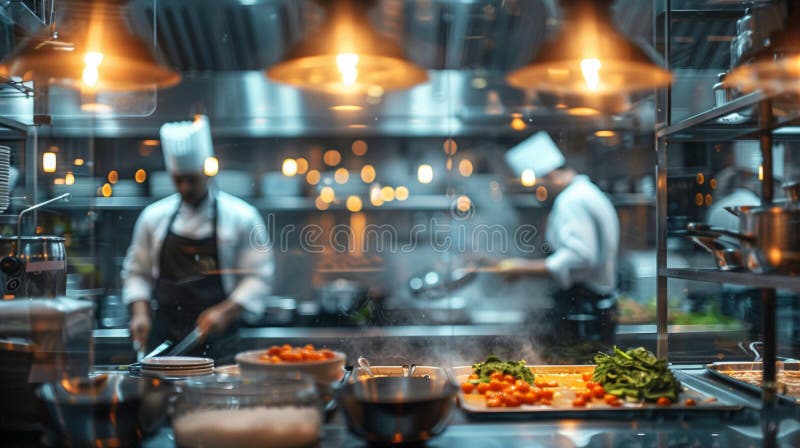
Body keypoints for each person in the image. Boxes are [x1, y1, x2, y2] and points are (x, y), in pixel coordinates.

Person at [122, 115, 273, 361]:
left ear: (207, 171)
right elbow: (137, 274)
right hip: (163, 336)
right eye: (178, 180)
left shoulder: (242, 216)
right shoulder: (153, 217)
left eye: (192, 179)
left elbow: (258, 278)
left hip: (221, 341)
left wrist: (225, 312)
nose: (184, 188)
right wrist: (139, 313)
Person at [494, 132, 620, 347]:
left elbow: (579, 255)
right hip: (596, 306)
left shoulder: (571, 201)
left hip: (584, 307)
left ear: (552, 174)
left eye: (539, 186)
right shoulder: (587, 192)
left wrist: (523, 267)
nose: (539, 193)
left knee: (578, 373)